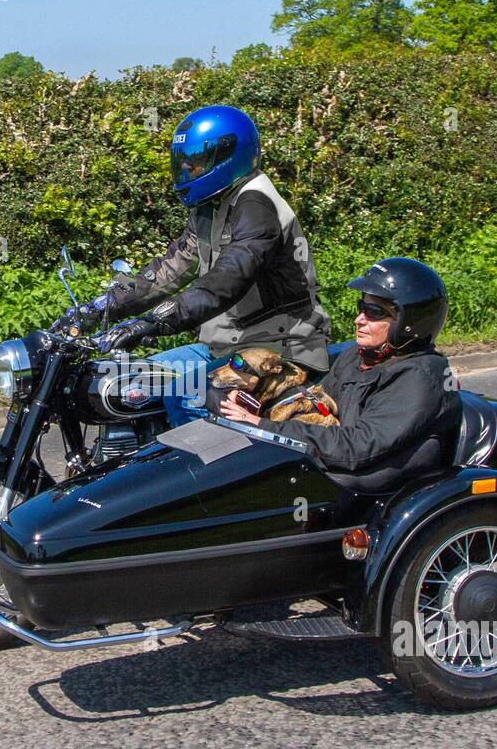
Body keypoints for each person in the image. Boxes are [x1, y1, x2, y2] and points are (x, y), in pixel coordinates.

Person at [62, 104, 332, 417]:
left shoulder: (257, 205)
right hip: (226, 349)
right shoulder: (211, 206)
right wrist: (100, 307)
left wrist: (152, 322)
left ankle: (199, 465)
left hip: (277, 353)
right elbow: (169, 270)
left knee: (183, 396)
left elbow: (224, 282)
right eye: (184, 161)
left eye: (197, 161)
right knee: (131, 381)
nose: (188, 169)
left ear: (229, 155)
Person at [221, 257, 463, 491]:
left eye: (374, 312)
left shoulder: (421, 377)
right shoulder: (357, 357)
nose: (359, 320)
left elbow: (358, 447)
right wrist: (258, 409)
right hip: (336, 463)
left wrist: (264, 427)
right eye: (361, 308)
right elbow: (318, 406)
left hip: (360, 483)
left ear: (410, 323)